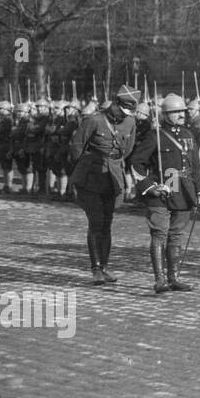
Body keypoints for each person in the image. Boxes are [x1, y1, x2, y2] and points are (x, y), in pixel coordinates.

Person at [129, 94, 200, 293]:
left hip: (184, 192)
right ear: (165, 115)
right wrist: (150, 186)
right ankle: (160, 280)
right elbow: (136, 162)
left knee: (176, 235)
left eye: (183, 112)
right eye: (175, 112)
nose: (181, 115)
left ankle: (174, 277)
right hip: (161, 193)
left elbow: (195, 165)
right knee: (159, 234)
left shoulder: (188, 135)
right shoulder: (155, 136)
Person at [69, 85, 141, 284]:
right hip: (91, 178)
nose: (124, 114)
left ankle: (105, 267)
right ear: (116, 104)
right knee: (96, 222)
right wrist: (87, 164)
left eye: (129, 111)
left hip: (113, 178)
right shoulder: (94, 120)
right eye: (123, 109)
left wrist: (114, 163)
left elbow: (127, 150)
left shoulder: (130, 122)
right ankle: (96, 269)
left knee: (107, 223)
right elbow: (76, 147)